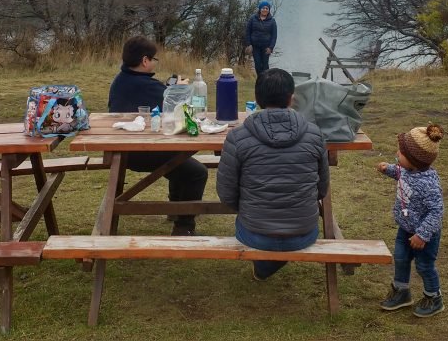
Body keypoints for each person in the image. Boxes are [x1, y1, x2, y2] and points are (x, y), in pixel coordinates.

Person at [216, 68, 328, 280]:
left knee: (262, 236)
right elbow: (322, 189)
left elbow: (226, 193)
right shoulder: (315, 134)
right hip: (304, 233)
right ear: (291, 98)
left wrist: (251, 209)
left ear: (257, 99)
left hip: (254, 234)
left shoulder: (237, 137)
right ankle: (265, 267)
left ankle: (264, 267)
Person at [108, 36, 207, 236]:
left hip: (124, 148)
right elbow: (178, 106)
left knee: (181, 160)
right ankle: (184, 226)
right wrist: (179, 89)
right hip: (141, 152)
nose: (154, 63)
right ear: (145, 61)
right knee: (197, 172)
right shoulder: (146, 85)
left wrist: (170, 87)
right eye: (154, 59)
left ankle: (175, 209)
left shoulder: (121, 80)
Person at [377, 124, 445, 318]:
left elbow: (436, 211)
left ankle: (434, 297)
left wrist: (422, 234)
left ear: (414, 160)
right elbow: (399, 172)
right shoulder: (408, 170)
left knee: (424, 266)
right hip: (406, 228)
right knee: (400, 257)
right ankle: (402, 292)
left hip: (424, 235)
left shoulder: (428, 183)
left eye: (401, 152)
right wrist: (386, 169)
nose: (397, 153)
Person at [245, 1, 277, 76]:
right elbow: (247, 32)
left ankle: (266, 80)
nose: (265, 10)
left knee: (265, 65)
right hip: (255, 46)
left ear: (269, 10)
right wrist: (249, 44)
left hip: (266, 47)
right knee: (258, 64)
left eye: (267, 8)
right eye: (263, 8)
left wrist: (271, 48)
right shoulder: (253, 18)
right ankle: (260, 79)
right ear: (260, 9)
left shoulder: (272, 21)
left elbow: (274, 36)